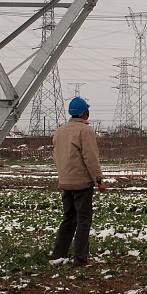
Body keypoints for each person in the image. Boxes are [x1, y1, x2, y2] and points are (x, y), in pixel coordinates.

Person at [51, 96, 107, 265]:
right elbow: (90, 158)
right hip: (81, 182)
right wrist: (98, 179)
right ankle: (80, 258)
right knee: (84, 219)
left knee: (69, 218)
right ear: (85, 113)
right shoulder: (86, 131)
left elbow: (56, 156)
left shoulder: (60, 131)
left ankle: (58, 255)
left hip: (65, 181)